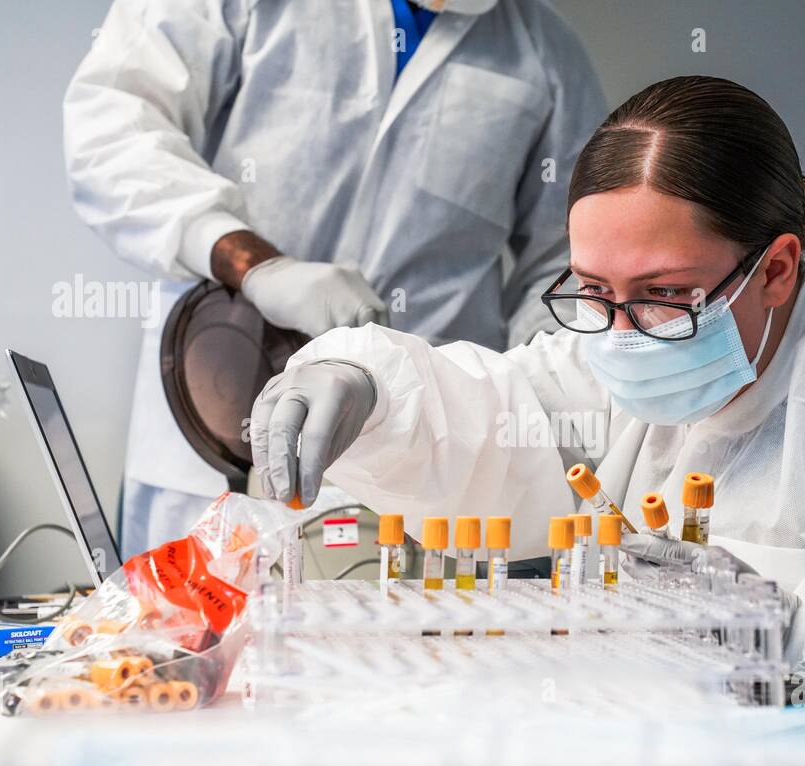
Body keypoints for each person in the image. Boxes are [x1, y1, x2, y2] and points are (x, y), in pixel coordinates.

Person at [249, 75, 805, 694]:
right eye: (592, 292)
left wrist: (769, 627)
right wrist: (363, 379)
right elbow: (503, 410)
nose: (619, 335)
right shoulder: (614, 355)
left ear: (776, 268)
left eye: (665, 295)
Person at [62, 0, 606, 555]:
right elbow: (113, 130)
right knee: (191, 634)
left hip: (426, 456)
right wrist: (255, 265)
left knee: (414, 635)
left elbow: (566, 261)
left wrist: (532, 413)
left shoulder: (547, 55)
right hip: (218, 425)